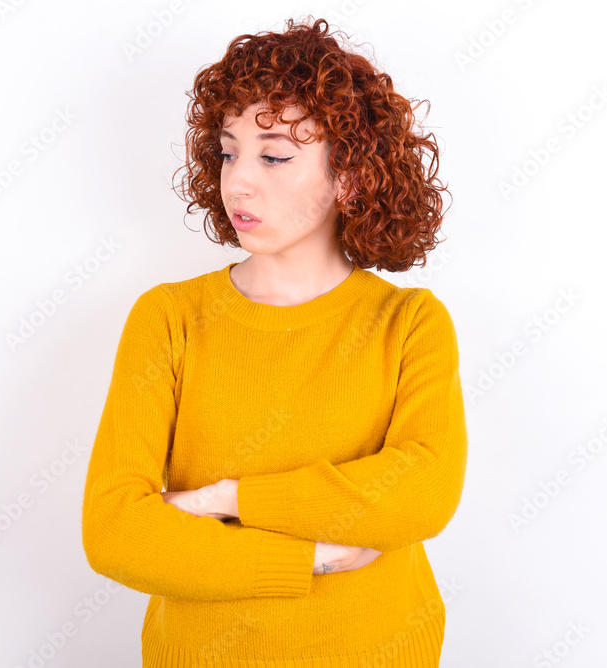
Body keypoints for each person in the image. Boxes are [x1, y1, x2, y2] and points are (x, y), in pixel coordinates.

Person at [81, 15, 467, 667]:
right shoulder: (169, 317)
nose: (237, 181)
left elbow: (424, 492)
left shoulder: (411, 322)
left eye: (275, 156)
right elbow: (116, 531)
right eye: (229, 151)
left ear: (350, 176)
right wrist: (311, 557)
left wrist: (226, 500)